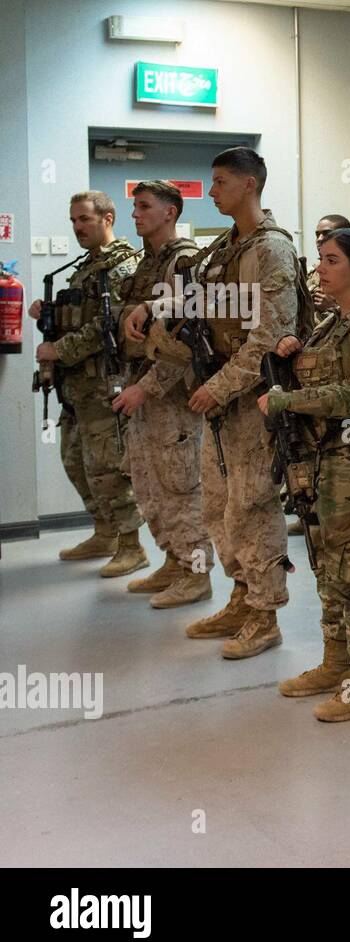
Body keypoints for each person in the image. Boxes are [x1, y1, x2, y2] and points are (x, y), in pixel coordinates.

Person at [128, 147, 305, 660]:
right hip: (219, 400)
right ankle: (242, 596)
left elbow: (273, 332)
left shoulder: (270, 248)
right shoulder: (224, 248)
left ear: (249, 185)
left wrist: (221, 386)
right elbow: (194, 301)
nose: (211, 192)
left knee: (252, 506)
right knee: (218, 507)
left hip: (250, 398)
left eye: (220, 182)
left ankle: (267, 613)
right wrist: (148, 305)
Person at [262, 228, 350, 722]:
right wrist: (289, 352)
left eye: (331, 260)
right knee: (326, 569)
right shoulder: (331, 324)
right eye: (320, 260)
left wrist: (288, 400)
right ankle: (336, 662)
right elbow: (318, 375)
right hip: (321, 464)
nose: (319, 269)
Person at [109, 180, 213, 607]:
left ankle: (197, 573)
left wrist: (146, 388)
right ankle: (173, 560)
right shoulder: (147, 264)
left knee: (180, 488)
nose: (135, 215)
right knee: (150, 486)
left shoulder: (183, 260)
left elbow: (185, 342)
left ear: (170, 212)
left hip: (169, 398)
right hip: (141, 391)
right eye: (134, 207)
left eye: (144, 207)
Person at [30, 191, 144, 575]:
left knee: (109, 466)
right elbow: (80, 315)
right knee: (76, 461)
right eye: (74, 221)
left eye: (85, 219)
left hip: (104, 384)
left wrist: (58, 350)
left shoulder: (124, 266)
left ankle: (131, 544)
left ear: (107, 219)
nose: (78, 227)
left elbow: (106, 326)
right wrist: (47, 315)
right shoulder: (85, 268)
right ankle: (104, 531)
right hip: (75, 387)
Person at [305, 214, 350, 325]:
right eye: (317, 235)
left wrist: (334, 307)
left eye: (327, 234)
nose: (320, 239)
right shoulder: (309, 273)